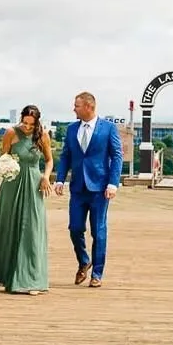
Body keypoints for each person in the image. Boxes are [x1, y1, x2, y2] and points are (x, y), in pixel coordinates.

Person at [0, 104, 52, 294]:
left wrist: (46, 177)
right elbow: (3, 157)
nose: (28, 127)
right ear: (21, 118)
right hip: (12, 184)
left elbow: (49, 160)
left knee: (31, 229)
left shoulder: (43, 135)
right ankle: (8, 274)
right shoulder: (10, 133)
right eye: (25, 122)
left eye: (32, 124)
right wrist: (8, 167)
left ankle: (31, 279)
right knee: (10, 226)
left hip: (33, 184)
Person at [55, 90, 123, 288]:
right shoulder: (71, 129)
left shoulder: (108, 128)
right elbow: (65, 155)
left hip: (100, 188)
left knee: (98, 231)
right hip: (77, 187)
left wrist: (113, 183)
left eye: (76, 105)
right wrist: (60, 179)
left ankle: (97, 273)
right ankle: (84, 260)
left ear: (88, 107)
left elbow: (117, 156)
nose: (73, 109)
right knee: (75, 228)